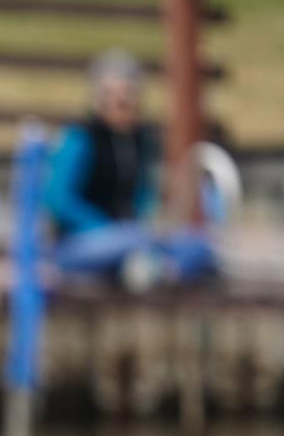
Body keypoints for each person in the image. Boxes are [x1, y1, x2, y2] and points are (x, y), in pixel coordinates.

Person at [45, 50, 217, 290]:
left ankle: (158, 269)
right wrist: (102, 227)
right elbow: (58, 199)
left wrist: (142, 223)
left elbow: (142, 196)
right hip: (81, 241)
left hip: (131, 235)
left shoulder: (140, 141)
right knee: (132, 241)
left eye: (128, 96)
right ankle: (151, 267)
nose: (122, 103)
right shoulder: (80, 138)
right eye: (113, 97)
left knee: (198, 244)